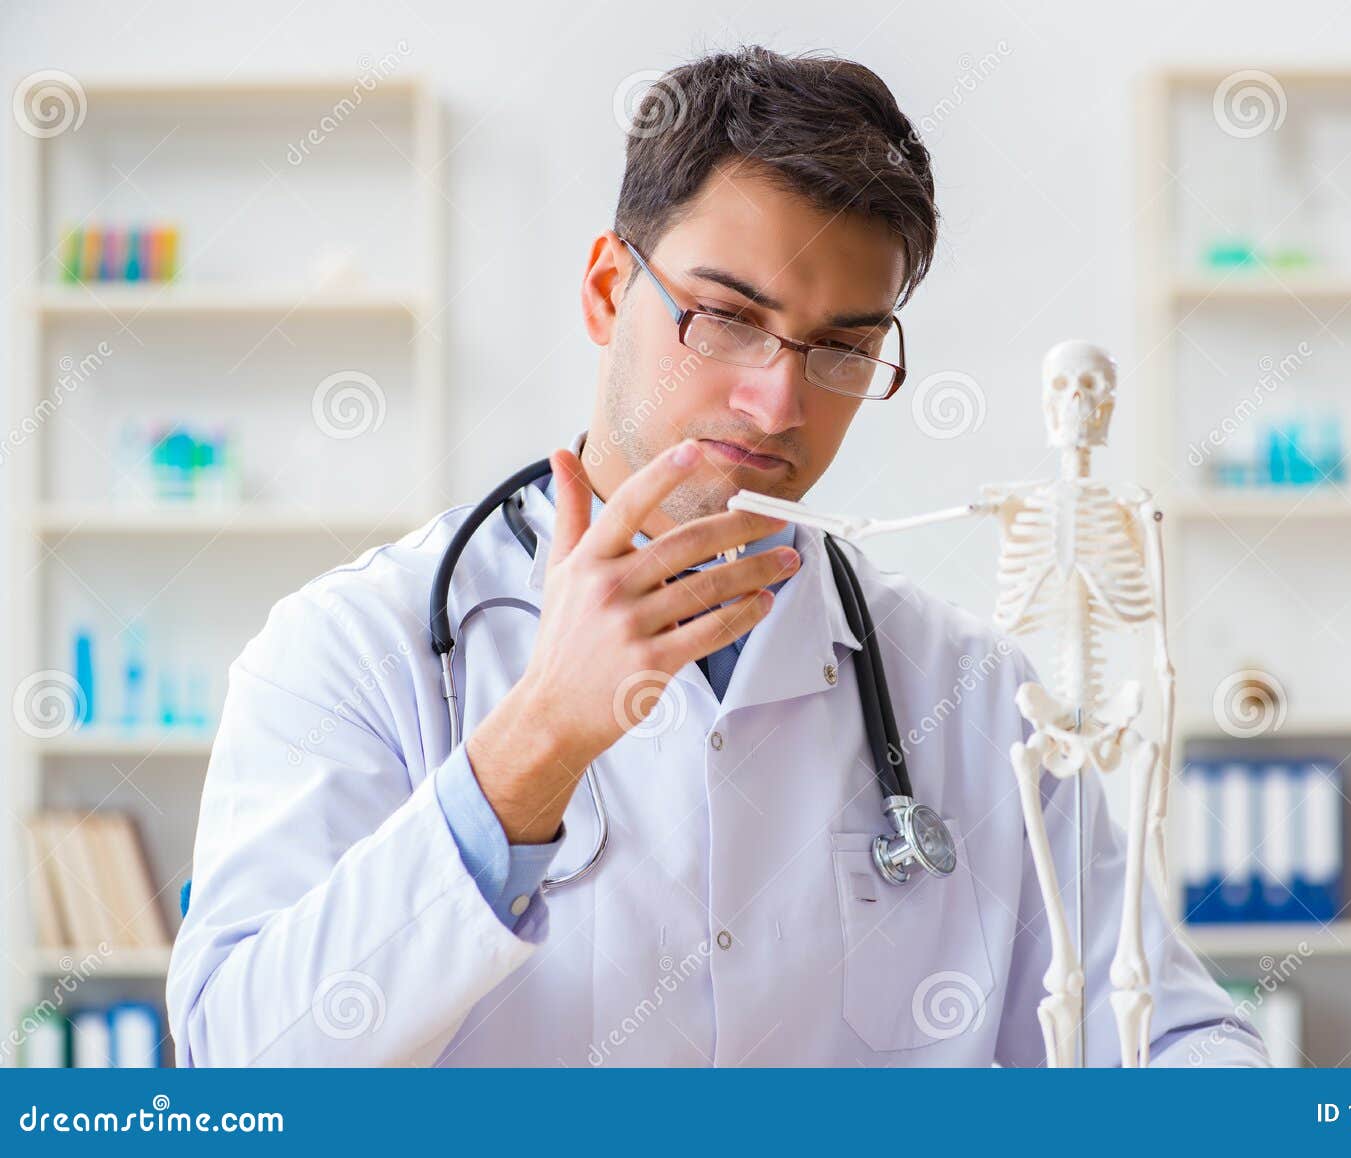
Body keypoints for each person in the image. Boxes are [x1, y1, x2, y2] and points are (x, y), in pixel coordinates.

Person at [167, 45, 1267, 1067]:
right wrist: (536, 744)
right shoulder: (357, 647)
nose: (778, 400)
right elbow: (242, 1067)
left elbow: (1168, 1033)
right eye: (726, 317)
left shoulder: (970, 694)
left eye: (843, 346)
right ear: (608, 291)